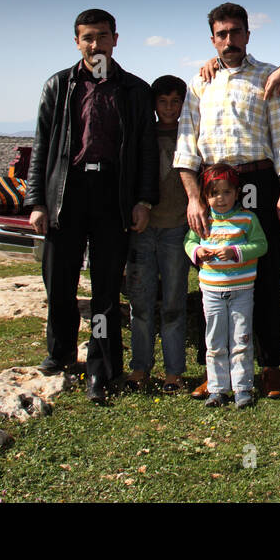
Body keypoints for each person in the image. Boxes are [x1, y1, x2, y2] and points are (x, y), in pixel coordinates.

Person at [25, 8, 158, 404]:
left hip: (112, 195)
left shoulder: (135, 90)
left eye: (102, 36)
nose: (95, 44)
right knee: (60, 282)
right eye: (88, 37)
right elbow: (41, 149)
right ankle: (60, 352)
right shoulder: (58, 86)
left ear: (116, 38)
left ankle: (102, 369)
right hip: (66, 193)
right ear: (77, 41)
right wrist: (37, 201)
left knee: (104, 290)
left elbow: (147, 152)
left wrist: (143, 200)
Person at [174, 3, 280, 401]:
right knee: (214, 273)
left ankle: (270, 366)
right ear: (212, 39)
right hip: (213, 184)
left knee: (262, 270)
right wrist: (194, 199)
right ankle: (216, 369)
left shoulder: (269, 76)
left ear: (248, 34)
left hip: (258, 180)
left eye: (236, 32)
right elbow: (186, 145)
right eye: (222, 34)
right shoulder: (199, 82)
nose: (229, 40)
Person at [124, 75, 190, 394]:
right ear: (153, 104)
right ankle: (140, 367)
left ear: (183, 104)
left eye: (175, 102)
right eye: (162, 102)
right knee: (140, 303)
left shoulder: (191, 135)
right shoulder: (141, 135)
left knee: (174, 303)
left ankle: (174, 372)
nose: (168, 108)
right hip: (143, 230)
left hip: (176, 229)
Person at [186, 164, 268, 408]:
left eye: (226, 192)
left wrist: (235, 252)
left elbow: (261, 245)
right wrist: (199, 252)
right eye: (213, 193)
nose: (220, 199)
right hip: (211, 291)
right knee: (215, 341)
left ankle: (243, 388)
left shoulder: (247, 219)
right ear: (205, 196)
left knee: (241, 339)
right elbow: (189, 242)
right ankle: (217, 389)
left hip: (241, 291)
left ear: (236, 193)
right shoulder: (203, 219)